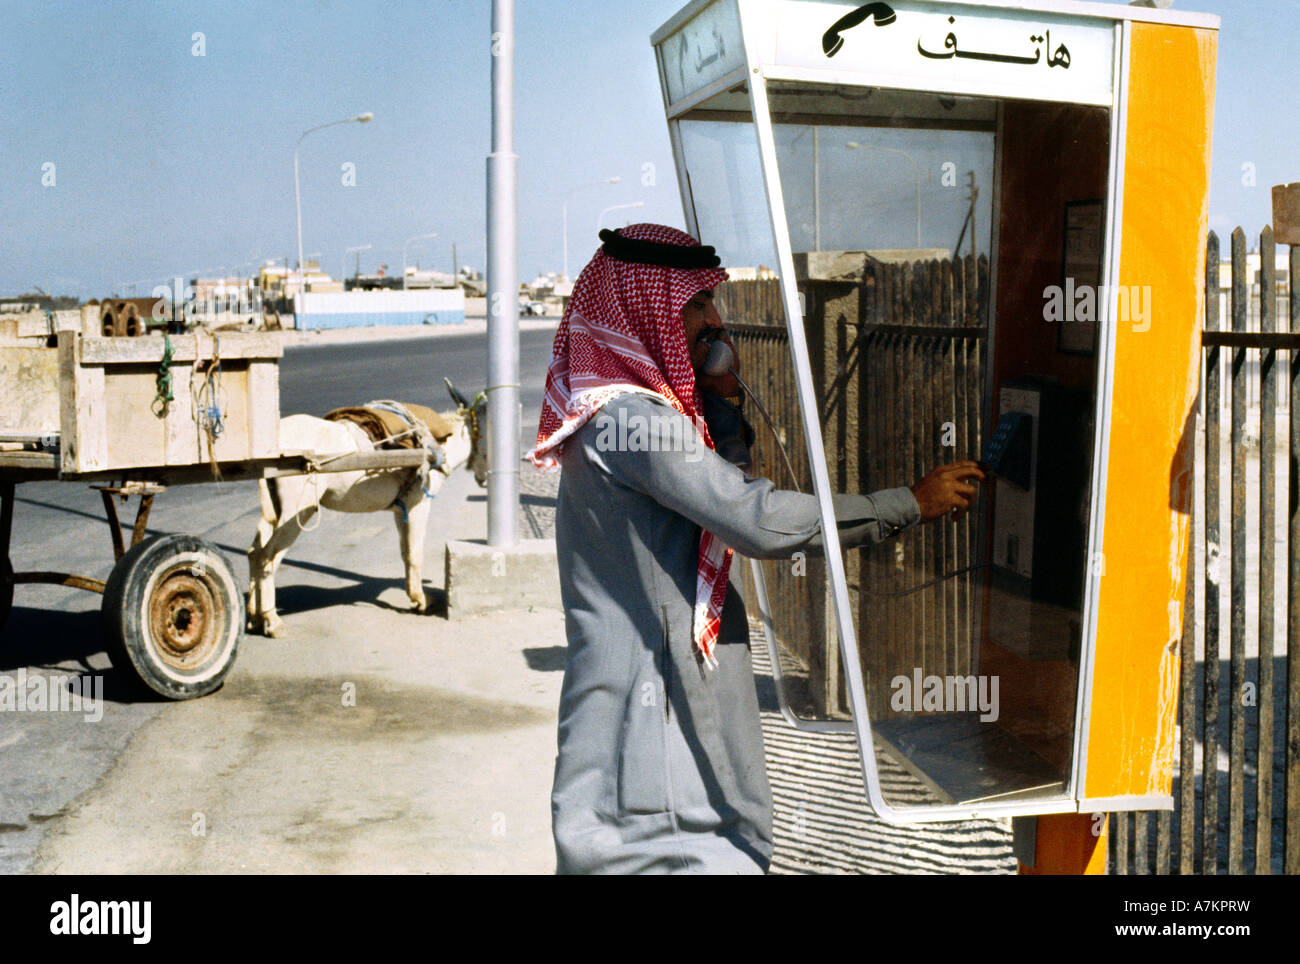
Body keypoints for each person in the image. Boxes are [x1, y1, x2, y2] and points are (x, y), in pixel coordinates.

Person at [528, 223, 983, 874]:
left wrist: (722, 402)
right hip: (651, 704)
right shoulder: (631, 420)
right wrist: (906, 503)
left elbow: (720, 484)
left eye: (712, 301)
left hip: (670, 680)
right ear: (640, 309)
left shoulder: (631, 412)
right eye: (695, 305)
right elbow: (756, 517)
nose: (714, 320)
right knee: (672, 849)